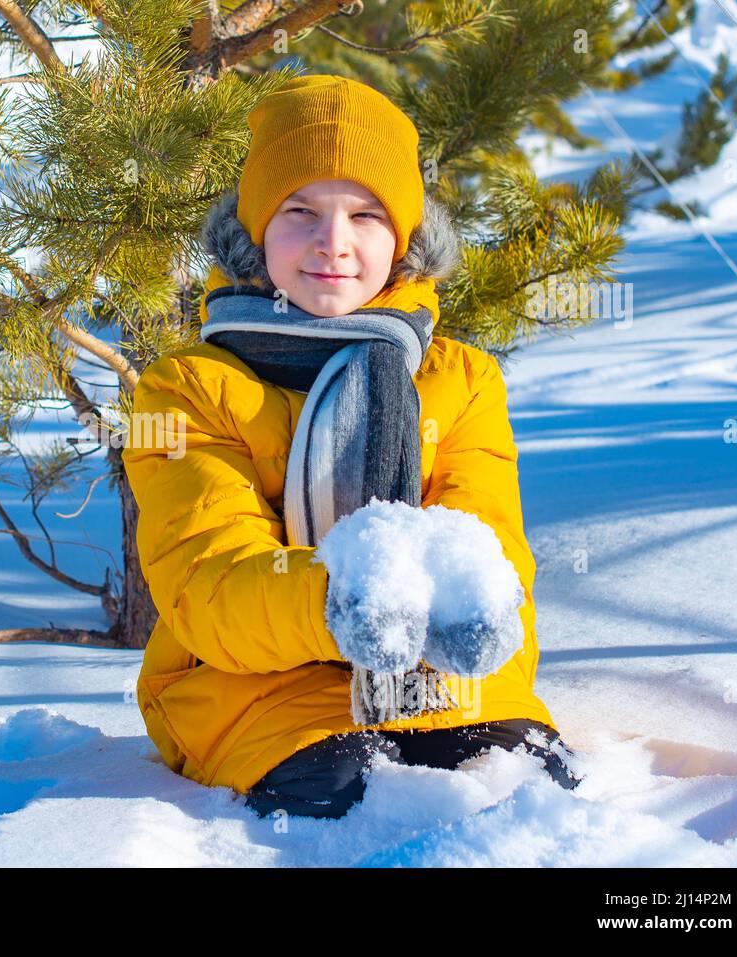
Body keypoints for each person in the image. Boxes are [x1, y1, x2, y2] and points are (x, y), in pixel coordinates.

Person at [121, 74, 583, 820]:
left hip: (450, 687)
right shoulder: (190, 389)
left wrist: (477, 604)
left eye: (366, 215)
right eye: (300, 211)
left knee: (523, 793)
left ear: (404, 241)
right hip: (256, 691)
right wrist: (339, 602)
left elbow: (491, 538)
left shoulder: (460, 380)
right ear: (253, 230)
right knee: (349, 803)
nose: (334, 243)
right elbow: (205, 579)